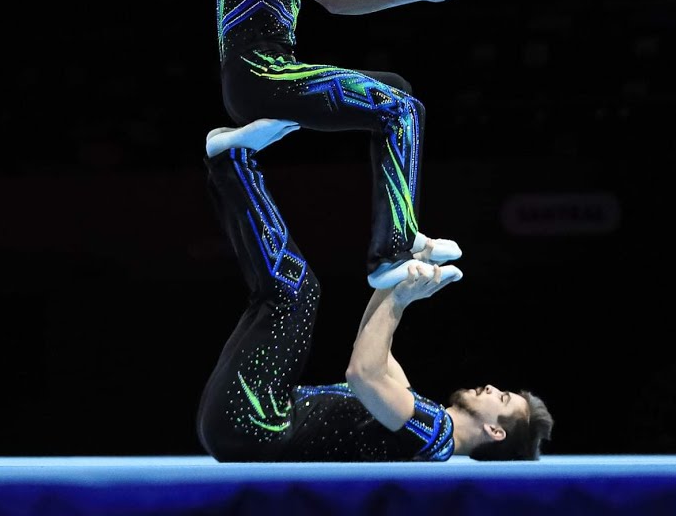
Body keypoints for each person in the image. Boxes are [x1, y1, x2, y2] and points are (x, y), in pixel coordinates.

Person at [214, 0, 482, 288]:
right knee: (400, 110)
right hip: (263, 74)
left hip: (254, 77)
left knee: (396, 89)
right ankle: (389, 253)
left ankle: (402, 228)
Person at [196, 120, 555, 462]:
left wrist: (399, 299)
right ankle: (229, 165)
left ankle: (232, 162)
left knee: (297, 291)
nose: (491, 387)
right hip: (247, 423)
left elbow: (362, 373)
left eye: (502, 399)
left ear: (495, 432)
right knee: (284, 292)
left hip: (256, 424)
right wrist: (400, 271)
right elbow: (370, 347)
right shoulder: (417, 416)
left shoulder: (436, 435)